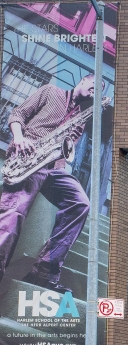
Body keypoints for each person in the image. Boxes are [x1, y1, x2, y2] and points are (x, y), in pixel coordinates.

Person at [0, 74, 98, 294]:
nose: (94, 91)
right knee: (13, 214)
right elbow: (17, 114)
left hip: (53, 166)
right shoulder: (50, 91)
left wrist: (69, 140)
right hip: (28, 156)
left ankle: (43, 274)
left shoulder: (80, 119)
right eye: (94, 85)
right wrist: (19, 138)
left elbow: (66, 151)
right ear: (83, 80)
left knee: (81, 204)